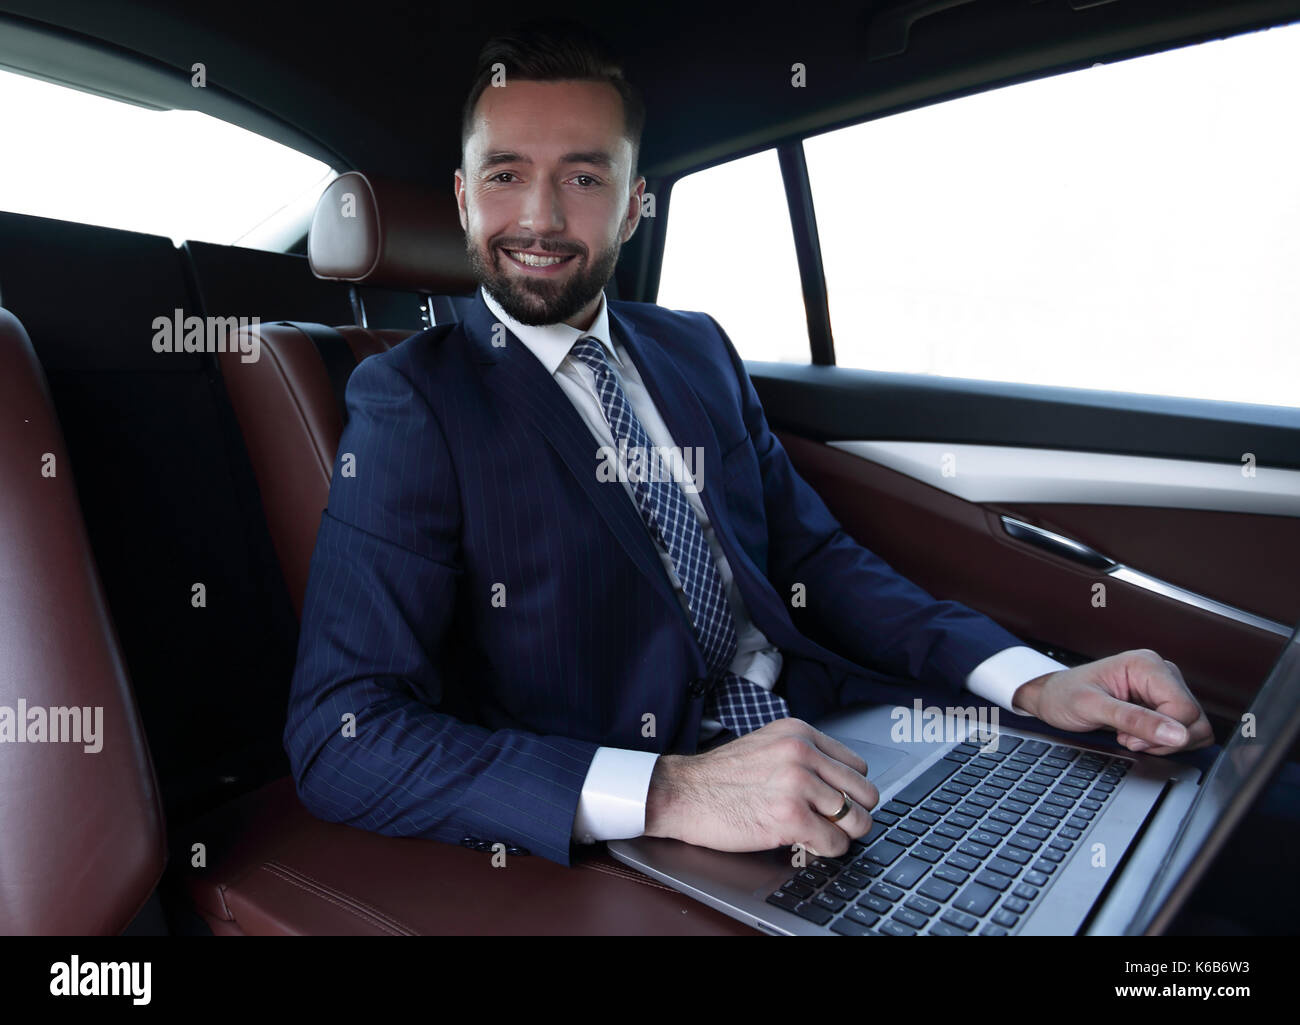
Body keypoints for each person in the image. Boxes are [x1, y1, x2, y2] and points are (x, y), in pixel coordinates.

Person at [283, 17, 1212, 869]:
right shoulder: (413, 399)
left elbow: (818, 558)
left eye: (583, 175)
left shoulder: (695, 349)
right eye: (504, 174)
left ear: (635, 200)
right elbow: (341, 733)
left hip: (839, 727)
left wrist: (1033, 681)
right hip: (660, 817)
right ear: (461, 195)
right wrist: (673, 790)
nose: (539, 218)